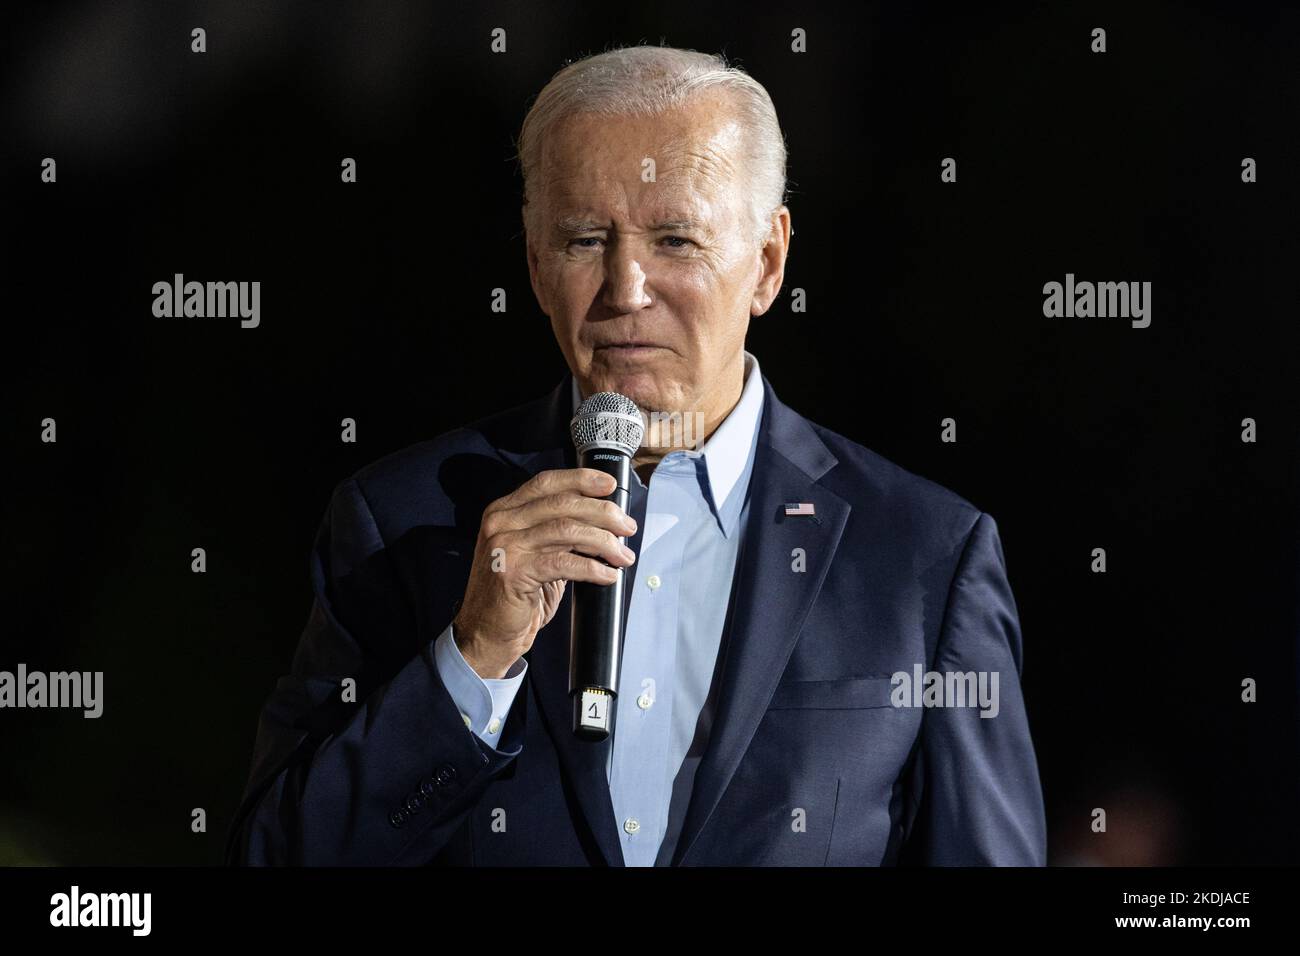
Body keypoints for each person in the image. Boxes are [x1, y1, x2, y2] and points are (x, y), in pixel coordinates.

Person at [227, 45, 1046, 866]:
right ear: (536, 266)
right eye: (585, 239)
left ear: (768, 262)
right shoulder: (400, 523)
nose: (626, 289)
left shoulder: (924, 558)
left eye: (677, 240)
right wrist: (470, 662)